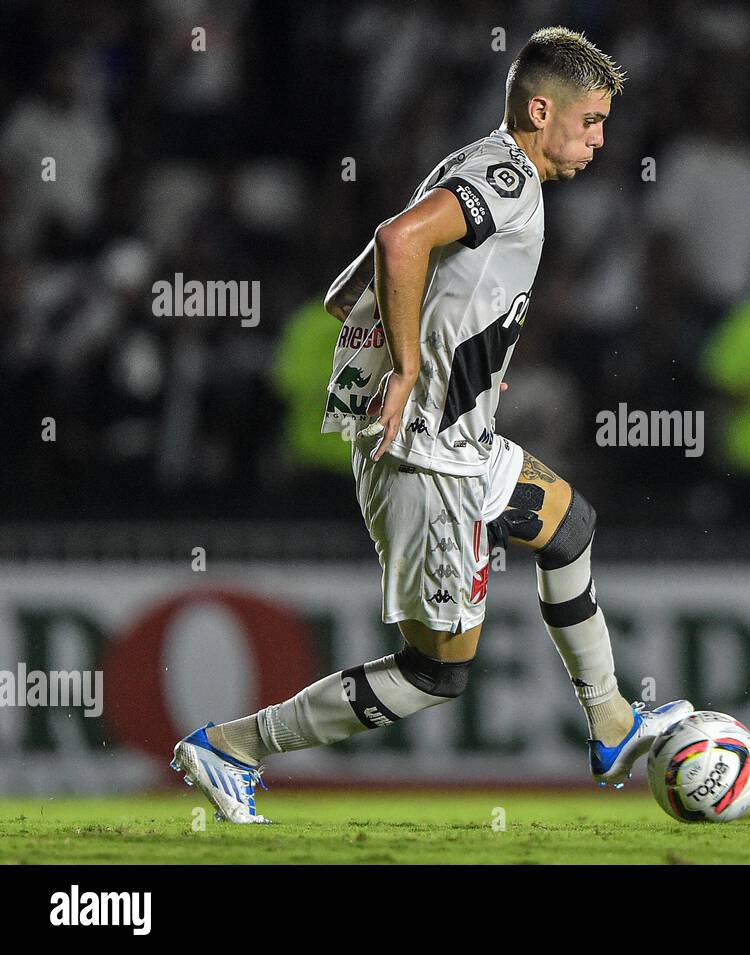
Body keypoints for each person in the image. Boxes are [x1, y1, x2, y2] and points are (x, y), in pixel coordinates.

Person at [171, 27, 690, 823]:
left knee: (568, 525)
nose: (600, 138)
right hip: (428, 459)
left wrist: (461, 348)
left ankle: (613, 724)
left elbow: (348, 294)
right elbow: (397, 240)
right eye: (590, 121)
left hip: (460, 444)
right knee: (433, 674)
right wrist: (413, 367)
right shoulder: (508, 176)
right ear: (541, 110)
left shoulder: (467, 163)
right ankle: (233, 744)